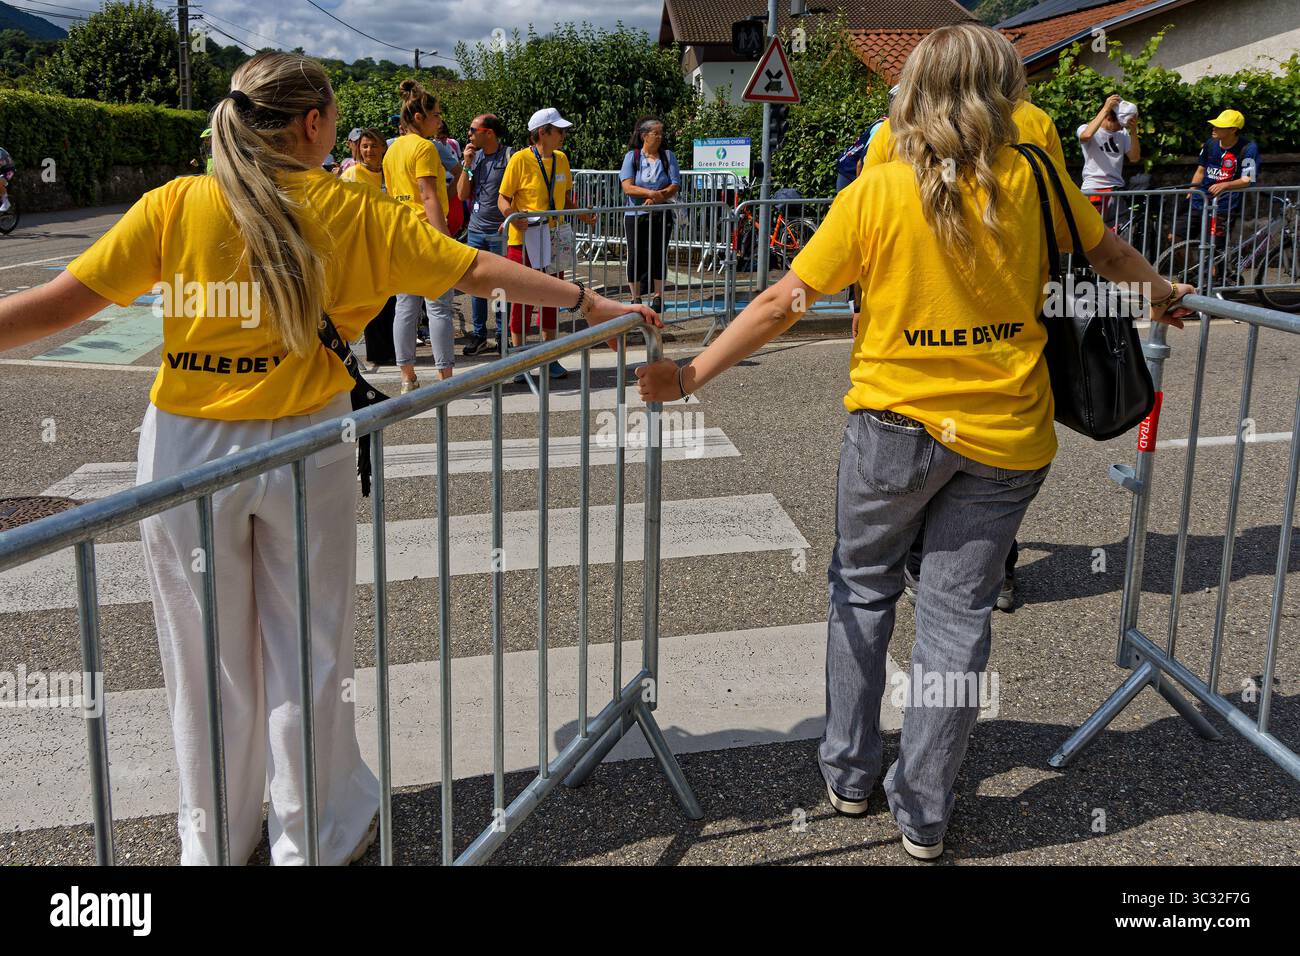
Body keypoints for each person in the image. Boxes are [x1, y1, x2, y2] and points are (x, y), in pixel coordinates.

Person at [0, 52, 655, 867]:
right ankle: (313, 837)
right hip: (305, 446)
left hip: (182, 450)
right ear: (312, 124)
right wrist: (597, 303)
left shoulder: (177, 204)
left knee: (202, 663)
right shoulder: (354, 212)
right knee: (310, 653)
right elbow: (478, 271)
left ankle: (212, 843)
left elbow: (55, 306)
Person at [635, 23, 1192, 860]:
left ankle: (850, 774)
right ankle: (924, 812)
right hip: (1006, 435)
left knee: (861, 592)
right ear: (1001, 92)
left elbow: (782, 302)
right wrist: (1159, 292)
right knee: (956, 620)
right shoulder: (1036, 175)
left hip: (893, 427)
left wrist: (688, 378)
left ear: (914, 93)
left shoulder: (879, 189)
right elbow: (1106, 250)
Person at [864, 92, 1067, 615]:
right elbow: (1063, 230)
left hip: (909, 364)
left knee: (888, 532)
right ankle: (992, 573)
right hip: (1006, 366)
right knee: (987, 507)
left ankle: (920, 566)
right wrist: (1157, 293)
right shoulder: (1034, 122)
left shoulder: (893, 129)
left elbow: (864, 234)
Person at [498, 106, 597, 381]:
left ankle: (550, 357)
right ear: (542, 133)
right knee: (521, 299)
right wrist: (511, 217)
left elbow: (564, 198)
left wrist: (582, 213)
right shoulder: (519, 160)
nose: (563, 135)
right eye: (559, 131)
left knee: (553, 297)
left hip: (553, 238)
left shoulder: (562, 159)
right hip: (525, 240)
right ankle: (518, 359)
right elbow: (503, 199)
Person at [383, 79, 458, 393]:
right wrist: (444, 239)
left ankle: (407, 377)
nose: (440, 121)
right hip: (426, 234)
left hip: (401, 235)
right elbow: (429, 196)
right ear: (418, 117)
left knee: (406, 307)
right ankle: (445, 379)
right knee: (439, 307)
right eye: (436, 115)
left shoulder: (391, 150)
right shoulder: (425, 147)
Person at [457, 113, 513, 356]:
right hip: (476, 230)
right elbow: (461, 195)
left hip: (498, 231)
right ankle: (479, 334)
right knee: (476, 285)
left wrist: (511, 218)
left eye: (473, 130)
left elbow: (518, 191)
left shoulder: (509, 157)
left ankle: (502, 335)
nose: (469, 135)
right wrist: (466, 165)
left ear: (488, 133)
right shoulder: (475, 158)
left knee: (500, 286)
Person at [340, 129, 396, 370]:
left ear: (383, 148)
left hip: (389, 241)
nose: (369, 151)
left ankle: (393, 349)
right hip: (364, 243)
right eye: (364, 146)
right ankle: (377, 352)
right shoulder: (352, 173)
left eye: (373, 146)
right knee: (373, 300)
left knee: (392, 298)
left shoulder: (389, 173)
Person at [619, 116, 681, 315]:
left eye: (662, 133)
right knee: (636, 254)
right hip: (635, 215)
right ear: (644, 135)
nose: (660, 137)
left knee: (658, 253)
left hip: (661, 213)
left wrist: (657, 198)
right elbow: (628, 187)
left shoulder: (668, 156)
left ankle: (658, 296)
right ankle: (635, 297)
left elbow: (674, 184)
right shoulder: (632, 157)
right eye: (656, 133)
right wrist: (649, 194)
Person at [1077, 95, 1140, 221]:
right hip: (1094, 189)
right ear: (1109, 117)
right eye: (1119, 124)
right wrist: (1106, 108)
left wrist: (1133, 131)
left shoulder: (1122, 134)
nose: (1122, 128)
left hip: (1116, 189)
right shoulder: (1085, 128)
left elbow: (1134, 158)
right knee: (1093, 233)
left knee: (1117, 234)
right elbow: (1087, 136)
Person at [0, 145, 15, 213]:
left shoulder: (0, 151)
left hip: (9, 171)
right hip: (2, 170)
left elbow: (1, 163)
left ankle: (6, 202)